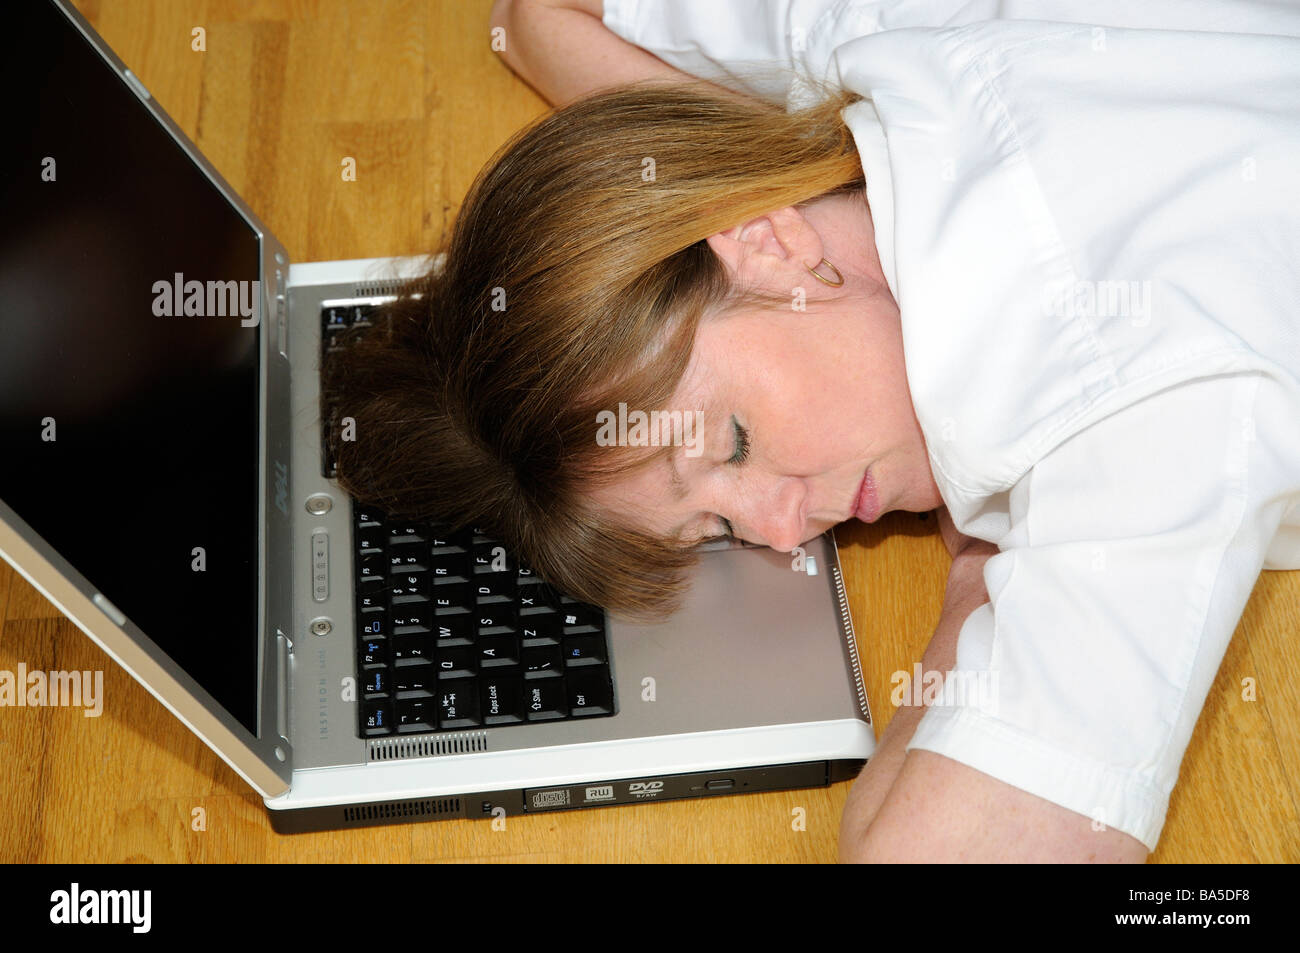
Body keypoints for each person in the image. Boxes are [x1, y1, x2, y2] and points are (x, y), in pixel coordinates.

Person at [325, 0, 1300, 862]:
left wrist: (976, 570)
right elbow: (539, 18)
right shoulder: (885, 32)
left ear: (766, 241)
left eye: (733, 444)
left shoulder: (1107, 398)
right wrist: (736, 175)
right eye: (716, 525)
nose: (786, 530)